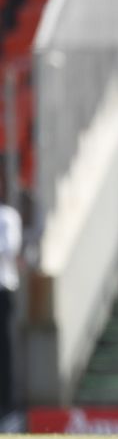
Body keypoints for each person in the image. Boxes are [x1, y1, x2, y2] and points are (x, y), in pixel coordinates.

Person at [0, 170, 20, 417]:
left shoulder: (7, 216)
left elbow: (8, 248)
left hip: (1, 290)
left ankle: (5, 408)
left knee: (3, 351)